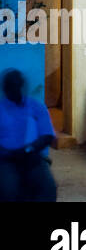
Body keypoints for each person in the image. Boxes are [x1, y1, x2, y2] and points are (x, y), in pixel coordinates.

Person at [0, 69, 56, 202]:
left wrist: (28, 149)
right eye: (11, 87)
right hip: (6, 158)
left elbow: (47, 136)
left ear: (22, 86)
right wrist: (8, 153)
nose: (15, 90)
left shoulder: (36, 107)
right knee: (9, 189)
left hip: (32, 156)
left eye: (17, 86)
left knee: (48, 187)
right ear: (5, 89)